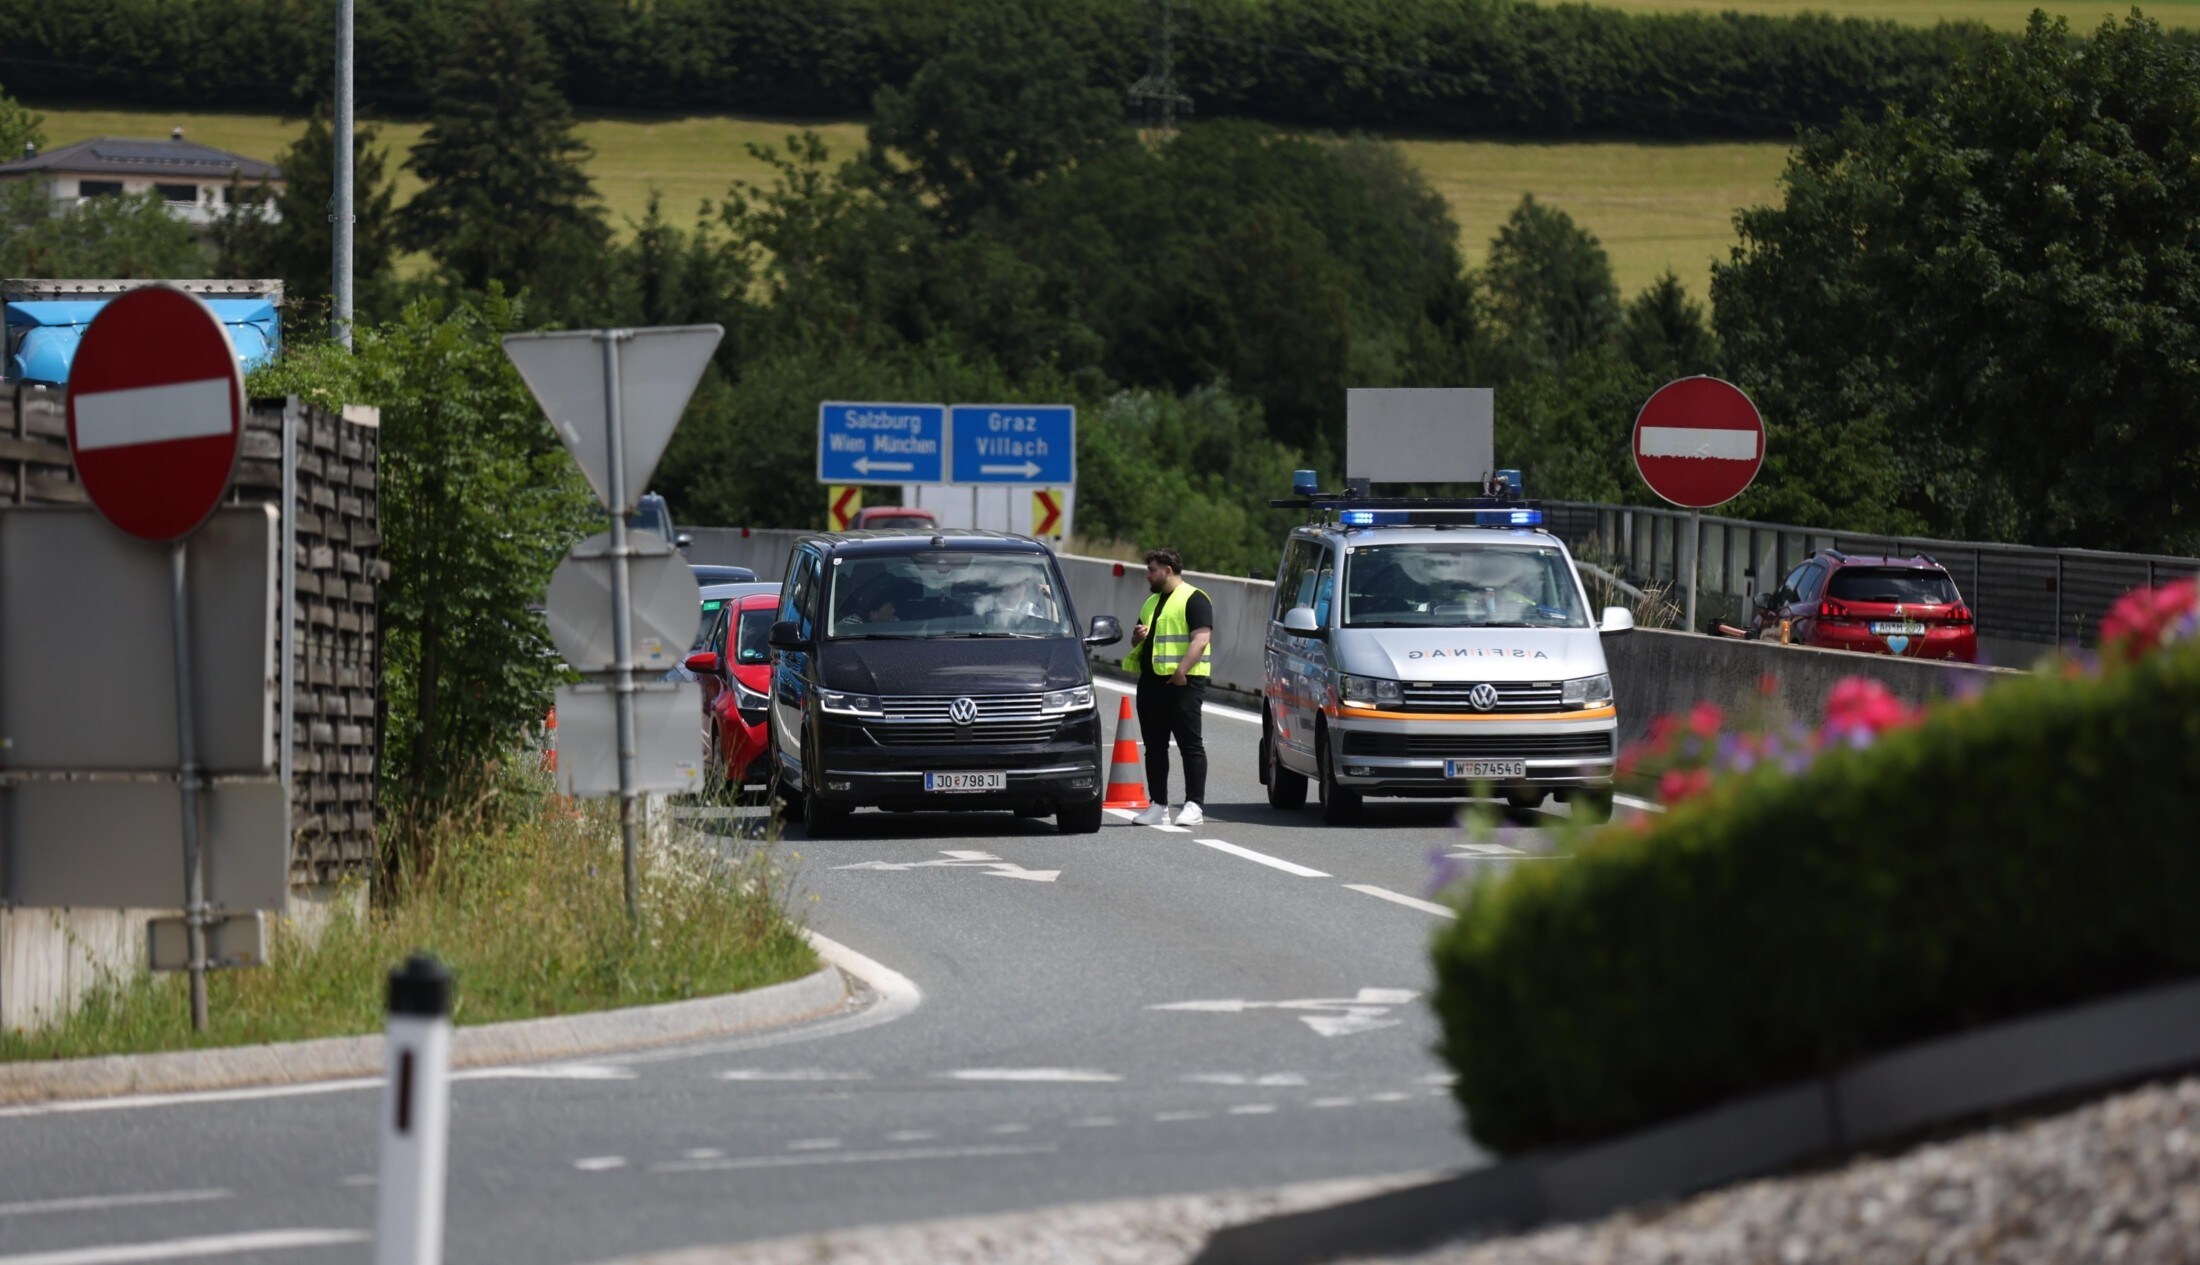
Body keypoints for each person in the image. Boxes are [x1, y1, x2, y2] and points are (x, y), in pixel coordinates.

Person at [1124, 547, 1212, 826]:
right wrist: (1138, 637)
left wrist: (1181, 672)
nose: (1148, 576)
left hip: (1184, 683)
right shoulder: (1150, 602)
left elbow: (1201, 640)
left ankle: (1194, 805)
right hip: (1151, 683)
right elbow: (1136, 642)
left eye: (1151, 570)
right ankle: (1158, 805)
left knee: (1190, 745)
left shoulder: (1195, 599)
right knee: (1155, 747)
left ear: (1167, 570)